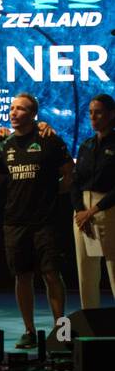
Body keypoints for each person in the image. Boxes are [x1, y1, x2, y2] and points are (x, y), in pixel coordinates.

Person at [0, 92, 73, 349]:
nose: (14, 113)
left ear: (33, 114)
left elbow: (68, 174)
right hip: (15, 222)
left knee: (51, 274)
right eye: (12, 108)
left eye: (20, 109)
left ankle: (60, 329)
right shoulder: (4, 146)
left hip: (45, 222)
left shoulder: (49, 140)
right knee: (22, 276)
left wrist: (53, 193)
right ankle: (29, 331)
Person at [72, 93, 115, 308]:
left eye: (98, 112)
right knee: (85, 271)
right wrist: (80, 210)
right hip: (82, 211)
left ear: (111, 114)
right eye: (90, 113)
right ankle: (89, 319)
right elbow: (75, 180)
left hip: (108, 208)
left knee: (113, 267)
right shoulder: (86, 145)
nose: (93, 117)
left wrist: (94, 210)